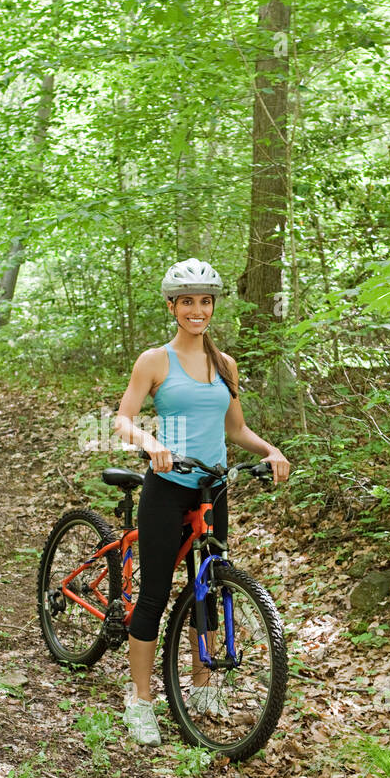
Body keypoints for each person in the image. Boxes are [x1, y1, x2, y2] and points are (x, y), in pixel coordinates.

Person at [112, 258, 290, 744]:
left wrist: (270, 450)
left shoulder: (224, 364)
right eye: (187, 301)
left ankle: (204, 684)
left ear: (213, 306)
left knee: (210, 586)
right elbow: (123, 419)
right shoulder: (155, 360)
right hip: (168, 487)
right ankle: (141, 701)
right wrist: (151, 444)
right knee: (154, 595)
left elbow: (236, 430)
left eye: (204, 301)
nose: (196, 310)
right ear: (172, 306)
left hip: (214, 485)